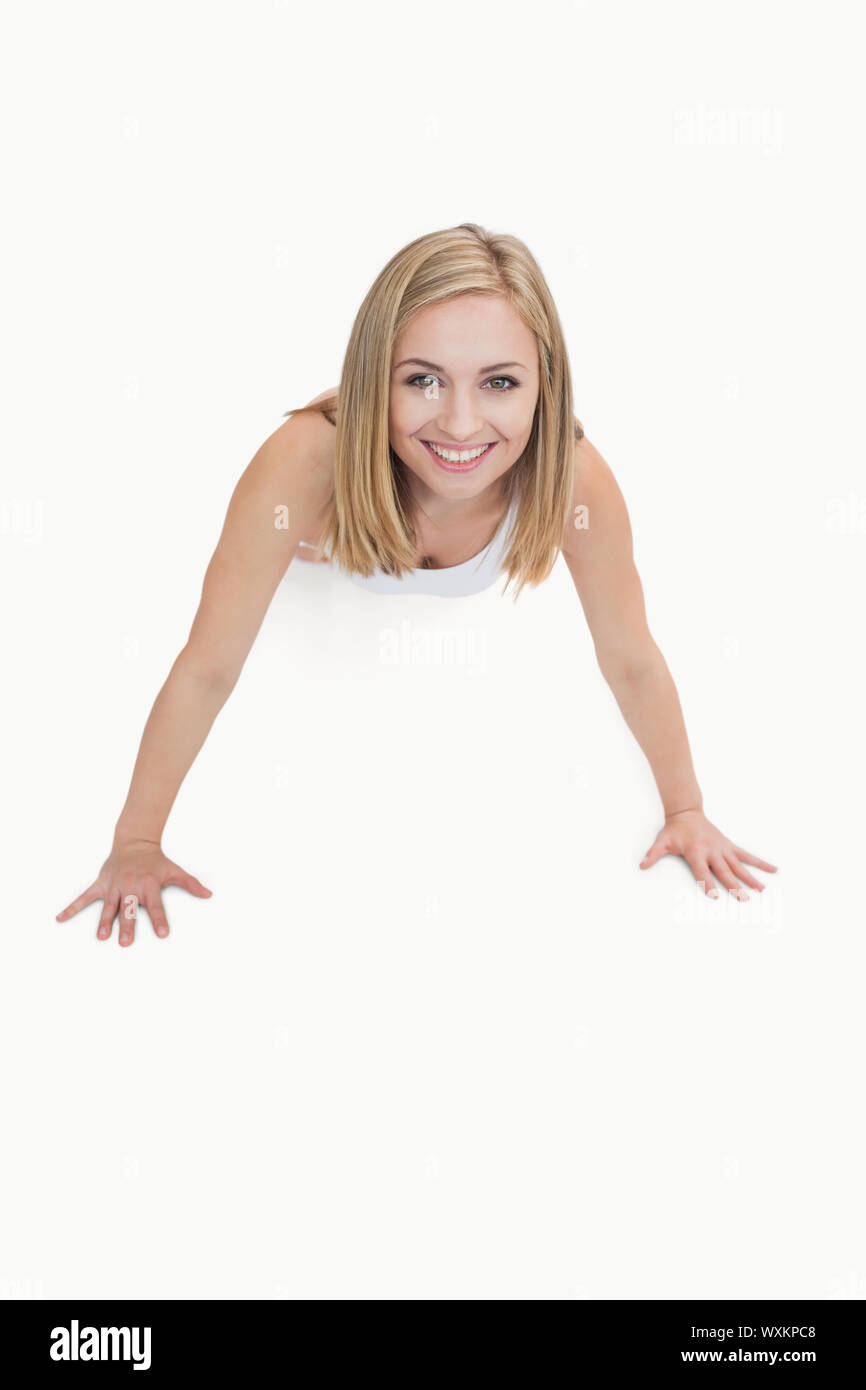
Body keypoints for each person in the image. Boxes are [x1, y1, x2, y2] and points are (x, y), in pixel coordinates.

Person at [56, 223, 776, 945]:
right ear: (375, 380)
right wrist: (137, 841)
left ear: (543, 387)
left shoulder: (575, 481)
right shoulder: (306, 460)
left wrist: (685, 809)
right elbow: (208, 667)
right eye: (421, 379)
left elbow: (632, 658)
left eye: (500, 382)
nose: (461, 423)